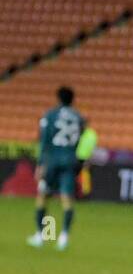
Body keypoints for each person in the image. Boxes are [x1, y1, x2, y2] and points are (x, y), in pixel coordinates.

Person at [27, 86, 85, 251]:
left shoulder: (50, 115)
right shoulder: (78, 118)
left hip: (52, 161)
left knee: (43, 197)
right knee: (67, 200)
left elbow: (44, 140)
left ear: (58, 98)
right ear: (72, 99)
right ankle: (63, 237)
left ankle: (41, 235)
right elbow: (80, 137)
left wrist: (40, 164)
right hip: (69, 160)